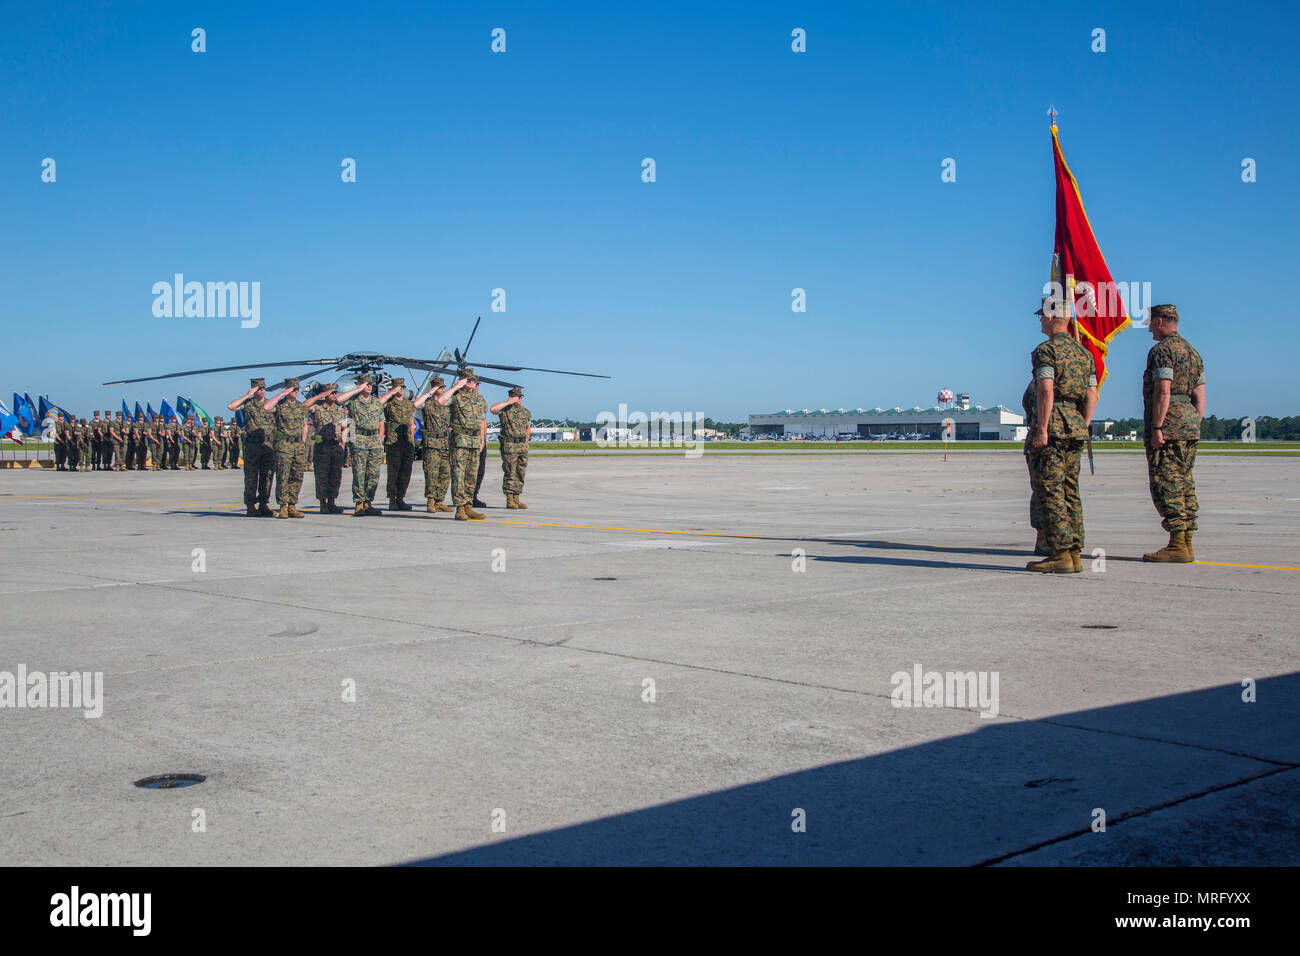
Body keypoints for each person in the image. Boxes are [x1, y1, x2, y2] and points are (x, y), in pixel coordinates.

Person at [1024, 297, 1097, 573]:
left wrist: (1042, 427)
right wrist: (1082, 422)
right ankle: (1075, 550)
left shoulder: (1046, 351)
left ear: (1054, 317)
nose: (1040, 320)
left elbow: (1045, 389)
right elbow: (1091, 393)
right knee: (1070, 490)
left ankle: (1061, 552)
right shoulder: (1084, 354)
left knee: (1051, 490)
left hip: (1052, 426)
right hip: (1074, 426)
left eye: (1042, 315)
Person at [1142, 304, 1205, 562]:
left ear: (1159, 322)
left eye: (1150, 324)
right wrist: (1192, 423)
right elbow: (1199, 396)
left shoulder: (1162, 351)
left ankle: (1177, 543)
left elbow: (1163, 390)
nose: (1148, 329)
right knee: (1185, 482)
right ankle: (1186, 542)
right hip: (1188, 424)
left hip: (1168, 425)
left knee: (1166, 482)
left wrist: (1158, 426)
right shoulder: (1193, 352)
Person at [439, 368, 487, 520]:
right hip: (460, 440)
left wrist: (482, 440)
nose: (472, 382)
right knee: (459, 475)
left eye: (473, 380)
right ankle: (460, 508)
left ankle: (468, 506)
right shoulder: (456, 396)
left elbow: (481, 420)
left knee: (471, 475)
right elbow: (440, 401)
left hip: (474, 440)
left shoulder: (479, 398)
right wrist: (455, 387)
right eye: (469, 380)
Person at [337, 374, 385, 515]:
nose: (369, 386)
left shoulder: (376, 403)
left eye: (370, 384)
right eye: (366, 384)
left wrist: (380, 441)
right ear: (360, 385)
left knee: (373, 474)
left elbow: (381, 423)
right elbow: (340, 399)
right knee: (359, 473)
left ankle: (368, 503)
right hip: (359, 439)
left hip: (374, 440)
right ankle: (358, 503)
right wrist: (358, 390)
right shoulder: (353, 402)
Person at [228, 378, 276, 516]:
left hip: (268, 444)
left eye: (263, 388)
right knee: (251, 476)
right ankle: (250, 505)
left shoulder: (270, 404)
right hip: (253, 445)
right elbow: (231, 407)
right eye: (258, 388)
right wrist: (248, 395)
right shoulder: (247, 404)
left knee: (267, 476)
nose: (261, 390)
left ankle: (263, 504)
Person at [269, 378, 309, 518]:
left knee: (297, 476)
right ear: (287, 389)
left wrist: (303, 442)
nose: (296, 391)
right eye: (293, 389)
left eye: (297, 389)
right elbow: (267, 408)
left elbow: (305, 425)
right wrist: (281, 394)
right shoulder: (279, 405)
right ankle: (283, 506)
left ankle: (292, 505)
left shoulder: (301, 407)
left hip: (298, 446)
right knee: (283, 477)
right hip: (284, 446)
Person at [306, 383, 349, 513]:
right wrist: (319, 396)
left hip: (336, 446)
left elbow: (345, 427)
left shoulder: (340, 410)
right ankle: (323, 503)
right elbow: (304, 406)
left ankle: (332, 502)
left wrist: (343, 444)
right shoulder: (318, 408)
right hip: (322, 446)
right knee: (322, 475)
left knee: (336, 475)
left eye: (335, 393)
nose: (334, 395)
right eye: (331, 393)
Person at [414, 376, 453, 512]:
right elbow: (416, 404)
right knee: (431, 474)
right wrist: (430, 392)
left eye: (443, 387)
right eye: (439, 387)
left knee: (445, 474)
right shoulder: (428, 404)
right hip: (432, 444)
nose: (442, 389)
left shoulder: (447, 406)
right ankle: (430, 501)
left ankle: (439, 501)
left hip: (445, 443)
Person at [491, 386, 532, 509]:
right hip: (510, 445)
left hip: (522, 446)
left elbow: (528, 428)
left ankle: (516, 497)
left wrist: (525, 442)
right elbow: (493, 409)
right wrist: (508, 402)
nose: (518, 400)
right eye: (516, 397)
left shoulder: (526, 412)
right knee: (510, 472)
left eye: (519, 397)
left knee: (520, 472)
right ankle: (509, 498)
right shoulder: (505, 410)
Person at [382, 378, 416, 511]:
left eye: (402, 387)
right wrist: (391, 393)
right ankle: (392, 499)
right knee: (393, 472)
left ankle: (401, 497)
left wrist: (412, 440)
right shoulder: (389, 404)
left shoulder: (408, 404)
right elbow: (379, 405)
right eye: (398, 387)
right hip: (393, 442)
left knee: (405, 471)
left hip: (407, 442)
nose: (400, 389)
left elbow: (412, 422)